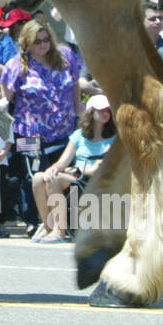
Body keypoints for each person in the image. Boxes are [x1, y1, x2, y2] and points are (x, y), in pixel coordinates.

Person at [0, 18, 84, 233]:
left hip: (63, 129)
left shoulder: (65, 56)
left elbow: (74, 82)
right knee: (34, 177)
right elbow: (5, 97)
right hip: (29, 132)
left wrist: (78, 108)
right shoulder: (16, 64)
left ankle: (65, 222)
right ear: (27, 42)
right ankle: (37, 221)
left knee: (63, 176)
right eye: (37, 41)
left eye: (46, 40)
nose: (43, 45)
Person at [32, 95, 115, 242]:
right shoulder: (78, 135)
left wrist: (75, 170)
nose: (105, 113)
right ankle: (48, 227)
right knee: (39, 178)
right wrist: (53, 169)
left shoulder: (113, 139)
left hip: (95, 181)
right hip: (76, 176)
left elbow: (97, 170)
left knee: (55, 179)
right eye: (101, 110)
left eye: (107, 110)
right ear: (91, 112)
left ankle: (60, 230)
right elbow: (62, 162)